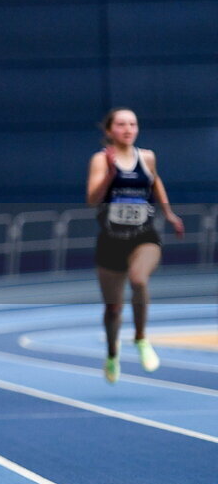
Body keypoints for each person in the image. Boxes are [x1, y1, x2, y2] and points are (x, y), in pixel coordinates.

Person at [86, 107, 183, 384]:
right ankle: (112, 353)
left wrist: (169, 213)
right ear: (109, 130)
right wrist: (110, 173)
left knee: (138, 279)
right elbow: (92, 200)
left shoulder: (147, 157)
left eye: (132, 124)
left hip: (144, 236)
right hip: (111, 240)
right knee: (113, 308)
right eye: (121, 124)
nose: (128, 129)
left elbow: (155, 181)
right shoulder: (100, 159)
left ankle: (140, 338)